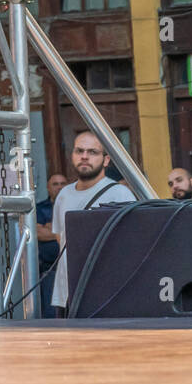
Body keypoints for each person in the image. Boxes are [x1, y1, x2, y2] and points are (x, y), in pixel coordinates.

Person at [50, 131, 135, 316]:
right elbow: (60, 238)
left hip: (105, 294)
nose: (85, 156)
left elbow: (129, 246)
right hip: (65, 294)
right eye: (79, 150)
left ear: (106, 160)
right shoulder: (63, 195)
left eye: (92, 152)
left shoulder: (120, 194)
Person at [34, 172, 68, 318]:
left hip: (72, 267)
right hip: (49, 269)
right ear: (48, 188)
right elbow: (37, 233)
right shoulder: (40, 208)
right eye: (55, 184)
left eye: (63, 184)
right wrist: (63, 230)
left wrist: (49, 227)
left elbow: (78, 231)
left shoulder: (74, 204)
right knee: (51, 313)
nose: (59, 187)